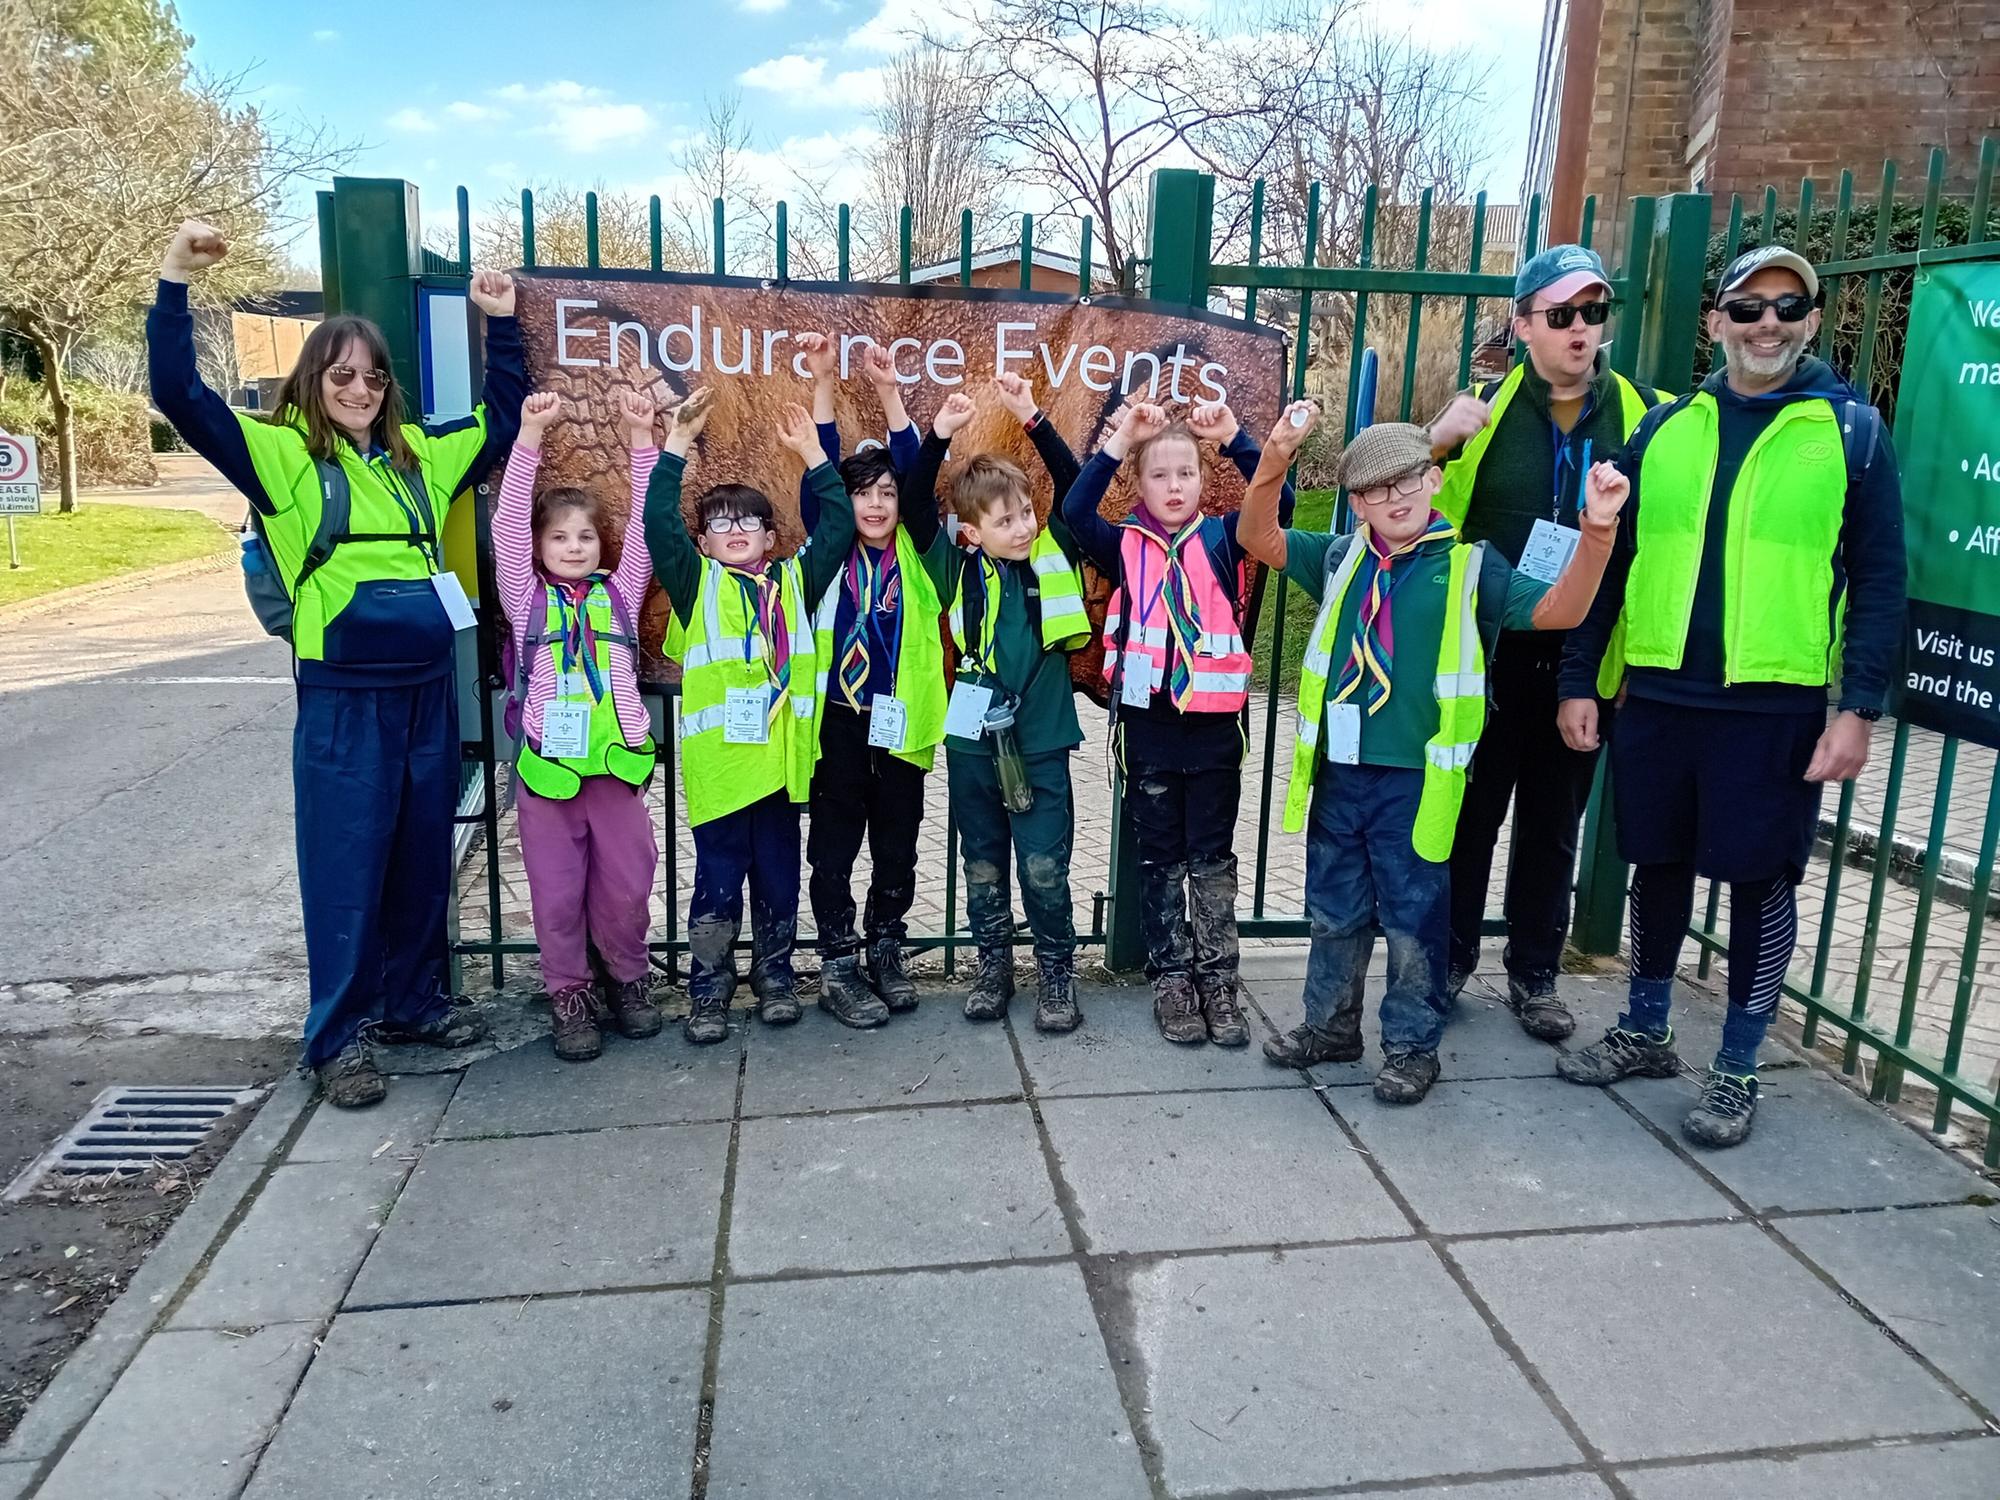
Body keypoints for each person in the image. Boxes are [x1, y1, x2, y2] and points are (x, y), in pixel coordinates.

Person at [148, 220, 523, 1109]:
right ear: (313, 380)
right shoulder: (280, 456)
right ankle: (338, 1039)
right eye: (342, 374)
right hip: (344, 699)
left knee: (423, 855)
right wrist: (174, 283)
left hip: (426, 690)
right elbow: (181, 394)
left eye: (373, 376)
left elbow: (500, 420)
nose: (359, 388)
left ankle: (413, 1005)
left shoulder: (418, 459)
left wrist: (502, 325)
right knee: (346, 867)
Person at [1554, 244, 1907, 1148]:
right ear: (1716, 322)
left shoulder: (1851, 433)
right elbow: (1611, 561)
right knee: (1657, 866)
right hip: (1658, 694)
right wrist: (1581, 679)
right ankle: (1646, 1028)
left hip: (1772, 706)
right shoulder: (1666, 428)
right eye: (1747, 307)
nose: (1767, 324)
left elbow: (1879, 579)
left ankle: (1739, 1066)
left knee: (1759, 883)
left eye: (1787, 307)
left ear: (1813, 322)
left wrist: (1858, 710)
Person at [1238, 407, 1624, 1104]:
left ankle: (1413, 1047)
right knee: (1334, 911)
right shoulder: (1339, 559)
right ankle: (1330, 1027)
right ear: (1357, 503)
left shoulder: (1473, 569)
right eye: (1376, 489)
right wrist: (1275, 458)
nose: (1396, 497)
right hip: (1341, 774)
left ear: (1435, 480)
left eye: (1409, 479)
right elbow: (1255, 536)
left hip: (1417, 785)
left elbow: (1562, 610)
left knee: (1415, 920)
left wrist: (1597, 530)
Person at [1424, 244, 1665, 1042]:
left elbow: (1655, 551)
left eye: (1593, 312)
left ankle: (1534, 973)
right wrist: (1434, 443)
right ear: (1523, 325)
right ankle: (1449, 961)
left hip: (1580, 663)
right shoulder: (1480, 413)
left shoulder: (1647, 416)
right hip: (1485, 658)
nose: (1579, 329)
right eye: (1560, 314)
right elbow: (1404, 510)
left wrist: (1608, 667)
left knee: (1554, 829)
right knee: (1468, 820)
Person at [1058, 393, 1295, 1045]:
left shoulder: (1224, 539)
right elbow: (1074, 512)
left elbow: (1281, 508)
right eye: (1158, 474)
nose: (1172, 485)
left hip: (1214, 733)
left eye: (1184, 473)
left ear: (1201, 482)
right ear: (1140, 483)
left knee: (1211, 860)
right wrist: (1120, 442)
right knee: (1160, 860)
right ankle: (1171, 980)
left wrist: (1239, 438)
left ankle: (1218, 981)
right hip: (1150, 733)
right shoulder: (1123, 545)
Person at [642, 383, 853, 1044]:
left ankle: (775, 977)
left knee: (779, 880)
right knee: (717, 884)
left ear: (770, 535)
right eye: (720, 524)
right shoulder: (696, 584)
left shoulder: (792, 581)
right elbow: (658, 526)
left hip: (780, 770)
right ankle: (709, 989)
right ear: (704, 542)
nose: (735, 531)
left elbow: (839, 530)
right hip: (723, 773)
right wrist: (677, 444)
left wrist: (814, 456)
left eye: (748, 522)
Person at [897, 387, 1093, 1032]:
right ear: (973, 532)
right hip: (974, 742)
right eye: (1005, 521)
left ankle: (1056, 973)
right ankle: (993, 968)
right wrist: (939, 435)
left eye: (1026, 513)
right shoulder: (954, 568)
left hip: (1042, 740)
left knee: (1044, 866)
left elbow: (1076, 489)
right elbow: (917, 507)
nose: (1024, 527)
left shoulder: (1054, 554)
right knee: (981, 864)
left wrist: (1035, 420)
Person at [493, 388, 663, 1062]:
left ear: (601, 545)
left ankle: (628, 980)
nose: (573, 546)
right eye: (559, 537)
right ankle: (569, 994)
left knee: (627, 890)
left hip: (616, 772)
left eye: (585, 536)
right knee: (557, 897)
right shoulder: (526, 596)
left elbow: (647, 528)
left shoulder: (619, 593)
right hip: (549, 774)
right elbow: (507, 526)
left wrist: (641, 439)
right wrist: (529, 436)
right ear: (540, 546)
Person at [792, 336, 939, 1024]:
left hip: (900, 724)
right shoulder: (827, 550)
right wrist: (823, 382)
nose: (876, 505)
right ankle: (838, 966)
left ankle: (886, 950)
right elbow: (819, 472)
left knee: (897, 846)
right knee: (833, 848)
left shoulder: (918, 549)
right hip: (839, 722)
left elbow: (917, 470)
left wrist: (888, 393)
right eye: (862, 494)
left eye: (886, 493)